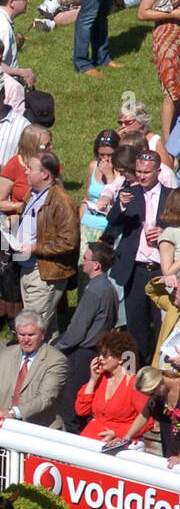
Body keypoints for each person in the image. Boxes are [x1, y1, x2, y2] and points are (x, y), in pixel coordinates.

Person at [101, 149, 172, 357]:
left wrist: (165, 233)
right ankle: (135, 374)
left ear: (158, 171)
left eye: (147, 172)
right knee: (135, 327)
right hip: (136, 270)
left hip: (162, 269)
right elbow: (112, 224)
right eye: (139, 171)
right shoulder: (130, 194)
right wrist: (120, 204)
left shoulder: (171, 196)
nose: (141, 176)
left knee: (163, 326)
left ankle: (160, 374)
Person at [12, 150, 79, 337]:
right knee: (46, 329)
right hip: (27, 269)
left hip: (44, 272)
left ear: (45, 174)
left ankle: (31, 364)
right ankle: (51, 364)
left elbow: (69, 242)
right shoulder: (32, 194)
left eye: (30, 168)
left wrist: (35, 248)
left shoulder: (61, 201)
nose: (25, 171)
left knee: (32, 328)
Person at [0, 310, 68, 428]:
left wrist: (12, 412)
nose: (26, 340)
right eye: (21, 335)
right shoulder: (7, 354)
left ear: (42, 334)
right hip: (3, 426)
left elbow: (45, 398)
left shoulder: (56, 360)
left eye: (31, 335)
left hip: (38, 428)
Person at [57, 241, 121, 426]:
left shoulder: (94, 290)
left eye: (85, 258)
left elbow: (77, 331)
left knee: (72, 410)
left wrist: (56, 347)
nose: (82, 261)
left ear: (96, 265)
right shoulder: (109, 289)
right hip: (97, 351)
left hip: (83, 353)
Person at [75, 329, 151, 440]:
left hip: (119, 440)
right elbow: (81, 410)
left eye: (105, 355)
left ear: (120, 359)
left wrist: (117, 433)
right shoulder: (101, 377)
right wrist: (92, 380)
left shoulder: (134, 384)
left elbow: (148, 421)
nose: (100, 358)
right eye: (100, 353)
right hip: (91, 436)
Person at [139, 0, 180, 140]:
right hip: (167, 36)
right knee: (171, 89)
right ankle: (168, 140)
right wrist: (173, 14)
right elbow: (143, 13)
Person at [124, 365, 180, 465]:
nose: (152, 397)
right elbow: (143, 415)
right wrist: (126, 438)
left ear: (158, 383)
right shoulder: (159, 393)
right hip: (171, 442)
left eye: (151, 394)